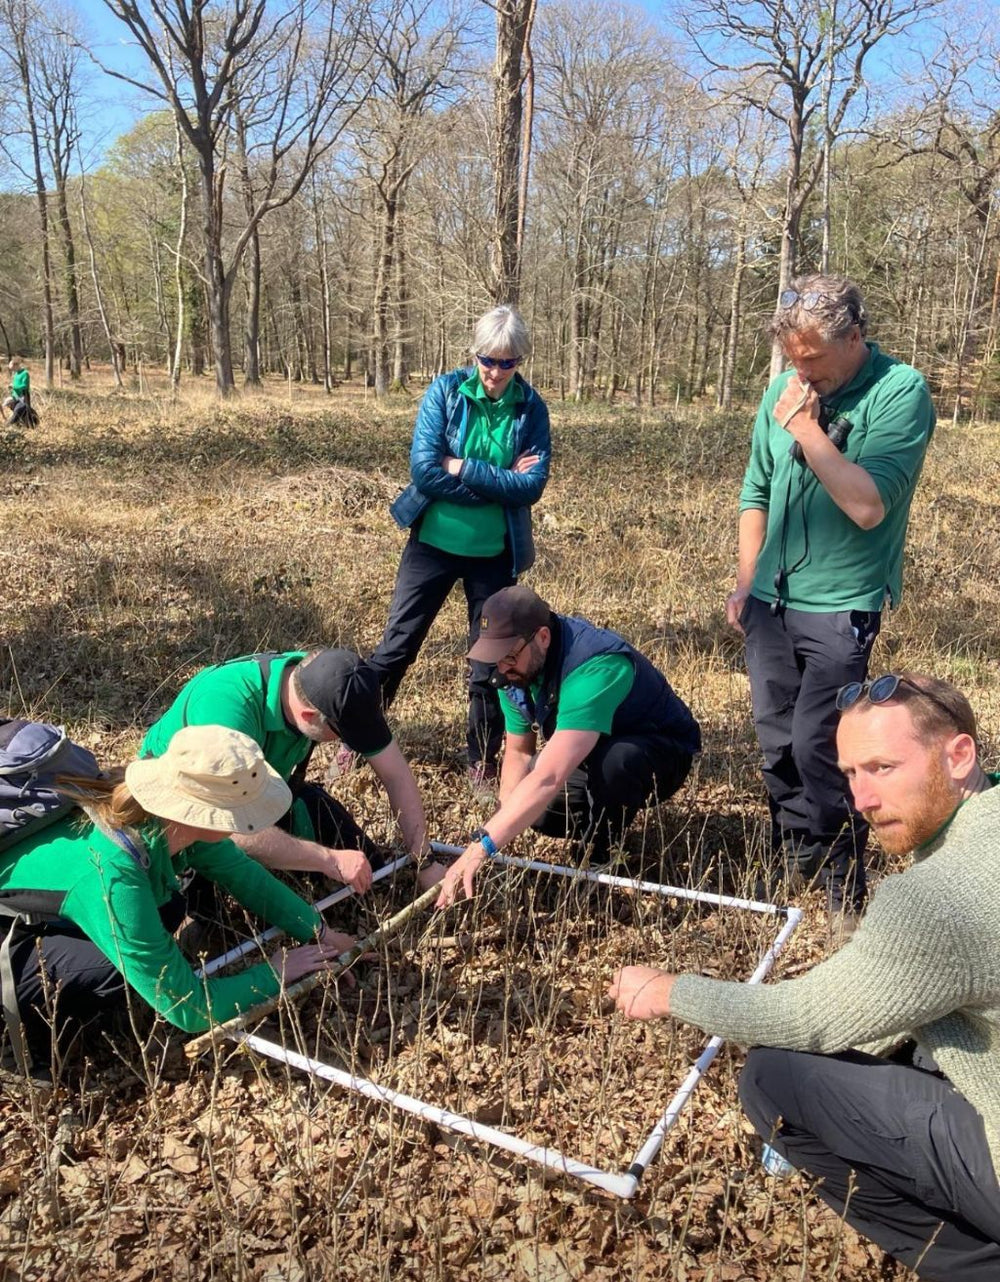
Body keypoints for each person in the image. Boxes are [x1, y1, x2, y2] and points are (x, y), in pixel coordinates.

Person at [609, 673, 1000, 1280]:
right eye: (850, 774)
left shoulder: (937, 897)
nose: (862, 799)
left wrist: (668, 991)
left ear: (959, 754)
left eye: (882, 768)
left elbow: (806, 1017)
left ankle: (973, 1265)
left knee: (775, 1077)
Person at [725, 274, 934, 923]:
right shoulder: (781, 392)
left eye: (812, 357)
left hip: (841, 603)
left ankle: (846, 878)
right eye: (791, 357)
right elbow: (755, 491)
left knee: (823, 746)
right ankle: (796, 851)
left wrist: (810, 432)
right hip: (771, 601)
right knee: (775, 742)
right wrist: (745, 580)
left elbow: (868, 505)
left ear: (855, 337)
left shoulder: (901, 393)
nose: (799, 370)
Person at [0, 726, 356, 1074]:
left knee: (167, 907)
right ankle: (26, 1046)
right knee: (111, 966)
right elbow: (190, 1009)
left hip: (57, 908)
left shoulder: (169, 821)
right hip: (10, 938)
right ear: (211, 816)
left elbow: (244, 876)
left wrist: (319, 931)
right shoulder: (113, 875)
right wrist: (276, 973)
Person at [367, 305, 551, 789]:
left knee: (490, 662)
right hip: (432, 545)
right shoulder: (446, 393)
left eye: (507, 362)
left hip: (493, 555)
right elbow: (424, 469)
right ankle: (355, 738)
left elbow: (530, 487)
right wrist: (499, 480)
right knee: (397, 647)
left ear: (520, 362)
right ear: (475, 355)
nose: (495, 372)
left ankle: (482, 761)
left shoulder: (531, 409)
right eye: (488, 360)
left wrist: (464, 468)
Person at [434, 585, 700, 908]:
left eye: (509, 656)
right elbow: (519, 753)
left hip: (659, 753)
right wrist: (500, 835)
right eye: (495, 659)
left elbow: (548, 777)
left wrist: (481, 845)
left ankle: (602, 854)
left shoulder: (595, 665)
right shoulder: (512, 670)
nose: (502, 668)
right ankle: (598, 813)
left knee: (613, 763)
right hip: (587, 750)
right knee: (534, 810)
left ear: (542, 637)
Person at [141, 648, 439, 892]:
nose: (347, 746)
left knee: (370, 870)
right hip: (194, 810)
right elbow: (229, 825)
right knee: (227, 916)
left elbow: (396, 775)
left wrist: (423, 861)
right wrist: (327, 859)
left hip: (264, 789)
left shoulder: (328, 681)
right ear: (309, 716)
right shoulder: (227, 708)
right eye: (342, 735)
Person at [3, 357, 34, 427]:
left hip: (23, 396)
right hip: (16, 396)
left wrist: (14, 387)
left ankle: (30, 426)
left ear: (16, 365)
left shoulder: (25, 373)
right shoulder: (16, 374)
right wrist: (12, 391)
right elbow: (15, 385)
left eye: (13, 368)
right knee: (16, 411)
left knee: (23, 411)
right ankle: (18, 426)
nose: (13, 370)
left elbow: (24, 386)